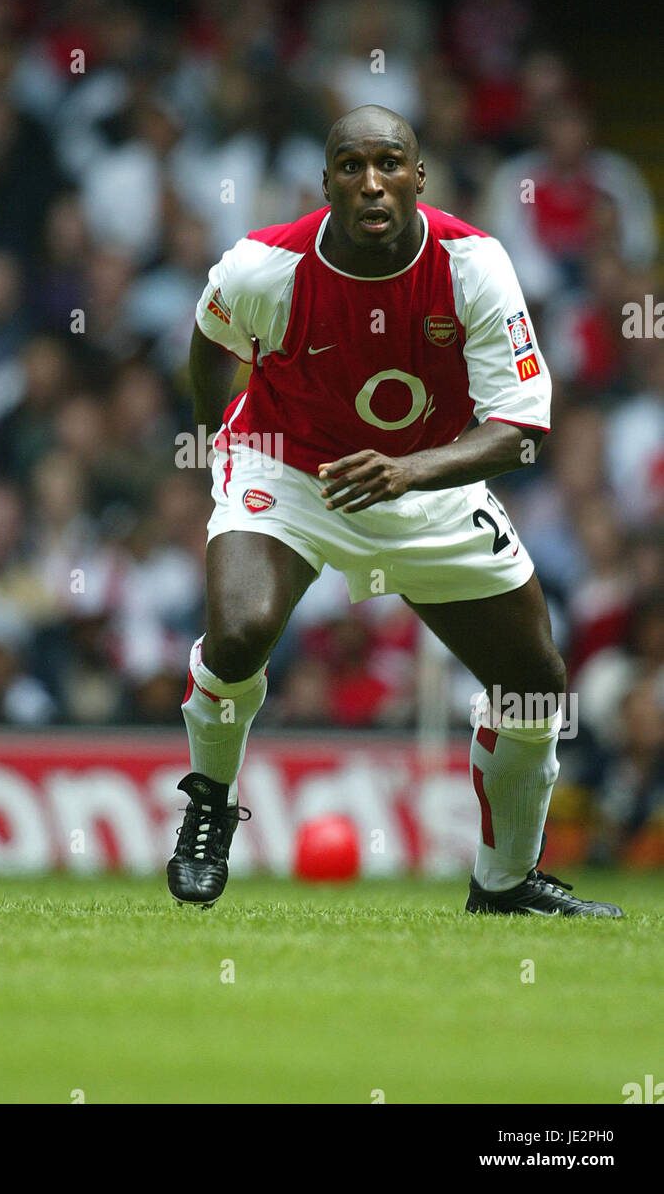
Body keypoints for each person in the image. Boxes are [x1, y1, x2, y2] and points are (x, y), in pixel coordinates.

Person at [167, 103, 623, 917]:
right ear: (328, 184)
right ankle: (208, 805)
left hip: (424, 485)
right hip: (286, 470)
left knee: (533, 688)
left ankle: (504, 883)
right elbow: (208, 343)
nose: (370, 183)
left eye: (388, 164)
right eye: (351, 166)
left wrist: (410, 471)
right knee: (238, 635)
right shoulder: (262, 267)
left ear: (418, 177)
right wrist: (213, 441)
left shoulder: (471, 263)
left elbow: (521, 433)